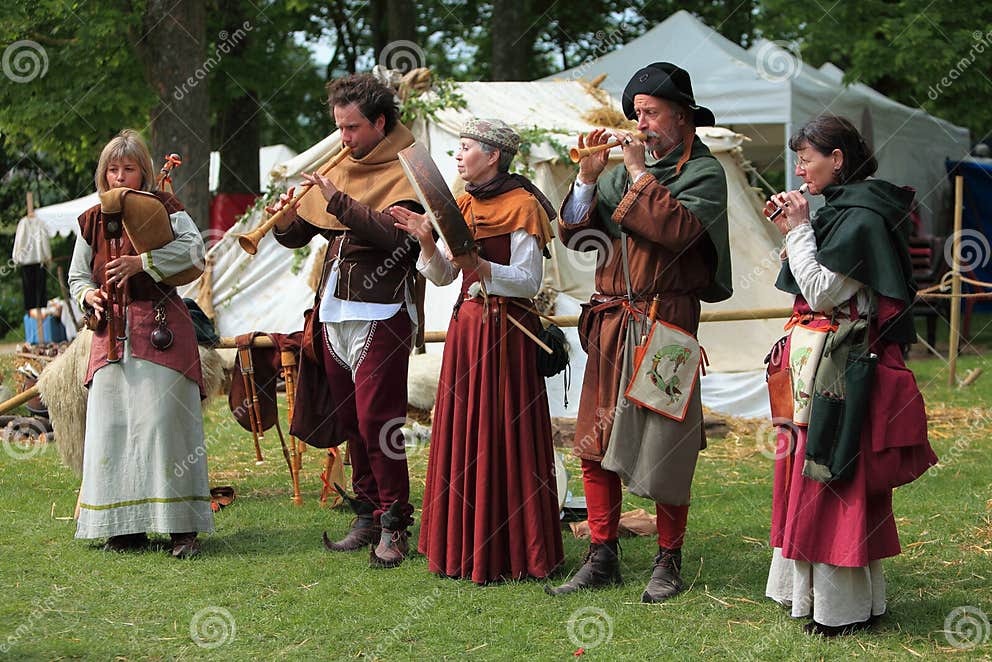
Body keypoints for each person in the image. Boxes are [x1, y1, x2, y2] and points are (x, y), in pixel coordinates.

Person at [546, 62, 732, 603]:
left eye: (650, 113)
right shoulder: (616, 175)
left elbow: (677, 231)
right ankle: (602, 554)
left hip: (666, 325)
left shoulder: (705, 173)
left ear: (683, 115)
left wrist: (635, 171)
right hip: (611, 321)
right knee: (593, 439)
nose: (641, 124)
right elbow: (578, 236)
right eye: (636, 115)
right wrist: (587, 177)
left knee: (666, 445)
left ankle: (668, 559)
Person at [763, 115, 936, 636]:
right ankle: (823, 598)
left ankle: (841, 609)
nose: (799, 171)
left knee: (833, 473)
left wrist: (800, 230)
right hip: (819, 364)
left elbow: (822, 292)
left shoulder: (862, 218)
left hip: (842, 369)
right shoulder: (843, 210)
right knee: (813, 470)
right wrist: (796, 233)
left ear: (837, 159)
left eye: (806, 159)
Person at [390, 118, 564, 584]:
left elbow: (528, 281)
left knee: (504, 433)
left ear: (492, 155)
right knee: (465, 432)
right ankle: (461, 546)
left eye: (466, 147)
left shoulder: (523, 205)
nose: (458, 155)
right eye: (458, 147)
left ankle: (513, 551)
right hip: (467, 332)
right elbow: (444, 276)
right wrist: (426, 241)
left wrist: (482, 266)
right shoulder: (461, 203)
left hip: (507, 334)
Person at [267, 73, 422, 568]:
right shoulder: (344, 164)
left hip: (383, 311)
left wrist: (338, 200)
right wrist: (284, 221)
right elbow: (303, 233)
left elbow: (397, 239)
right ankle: (368, 515)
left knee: (380, 421)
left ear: (380, 122)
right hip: (333, 311)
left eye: (352, 128)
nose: (344, 138)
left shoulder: (409, 167)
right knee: (353, 420)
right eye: (339, 127)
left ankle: (395, 523)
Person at [69, 129, 213, 558]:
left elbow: (194, 252)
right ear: (103, 174)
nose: (119, 177)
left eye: (128, 168)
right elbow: (78, 275)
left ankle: (181, 527)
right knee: (112, 428)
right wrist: (87, 295)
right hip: (109, 334)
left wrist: (143, 262)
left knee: (164, 426)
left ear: (143, 172)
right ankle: (124, 526)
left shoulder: (164, 207)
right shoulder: (91, 220)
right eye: (112, 169)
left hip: (160, 327)